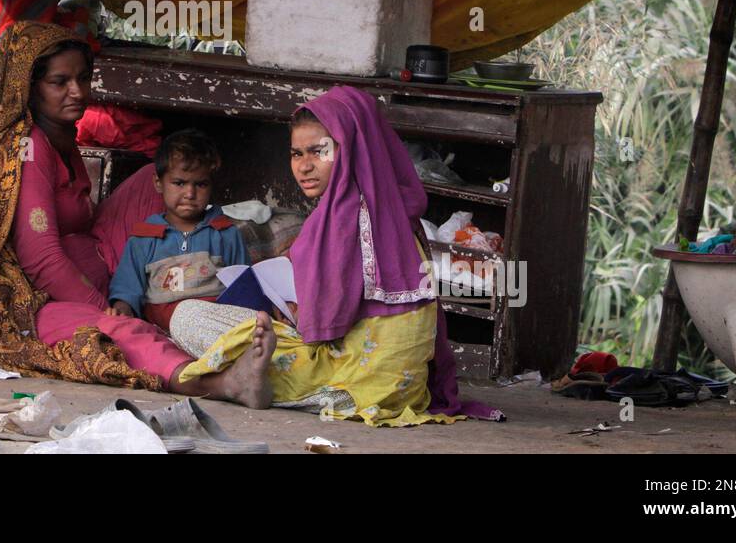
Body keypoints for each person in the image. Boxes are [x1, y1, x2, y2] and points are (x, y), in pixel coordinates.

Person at [0, 22, 276, 407]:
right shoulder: (29, 148)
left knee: (150, 179)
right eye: (60, 82)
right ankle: (218, 382)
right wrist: (101, 306)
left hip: (98, 261)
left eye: (82, 78)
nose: (77, 91)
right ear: (29, 86)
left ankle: (170, 295)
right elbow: (40, 260)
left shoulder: (61, 135)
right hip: (34, 303)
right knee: (117, 331)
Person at [169, 86, 501, 426]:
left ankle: (248, 382)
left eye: (319, 151)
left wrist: (293, 315)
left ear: (349, 149)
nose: (305, 166)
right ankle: (250, 379)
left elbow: (322, 327)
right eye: (297, 154)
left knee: (187, 316)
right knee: (255, 330)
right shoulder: (394, 210)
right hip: (406, 388)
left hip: (348, 382)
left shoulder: (342, 216)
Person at [106, 129, 250, 333]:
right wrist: (123, 308)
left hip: (220, 326)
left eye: (200, 184)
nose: (190, 193)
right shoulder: (144, 238)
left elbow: (243, 288)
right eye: (179, 183)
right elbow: (127, 287)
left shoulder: (225, 233)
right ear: (159, 183)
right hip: (164, 330)